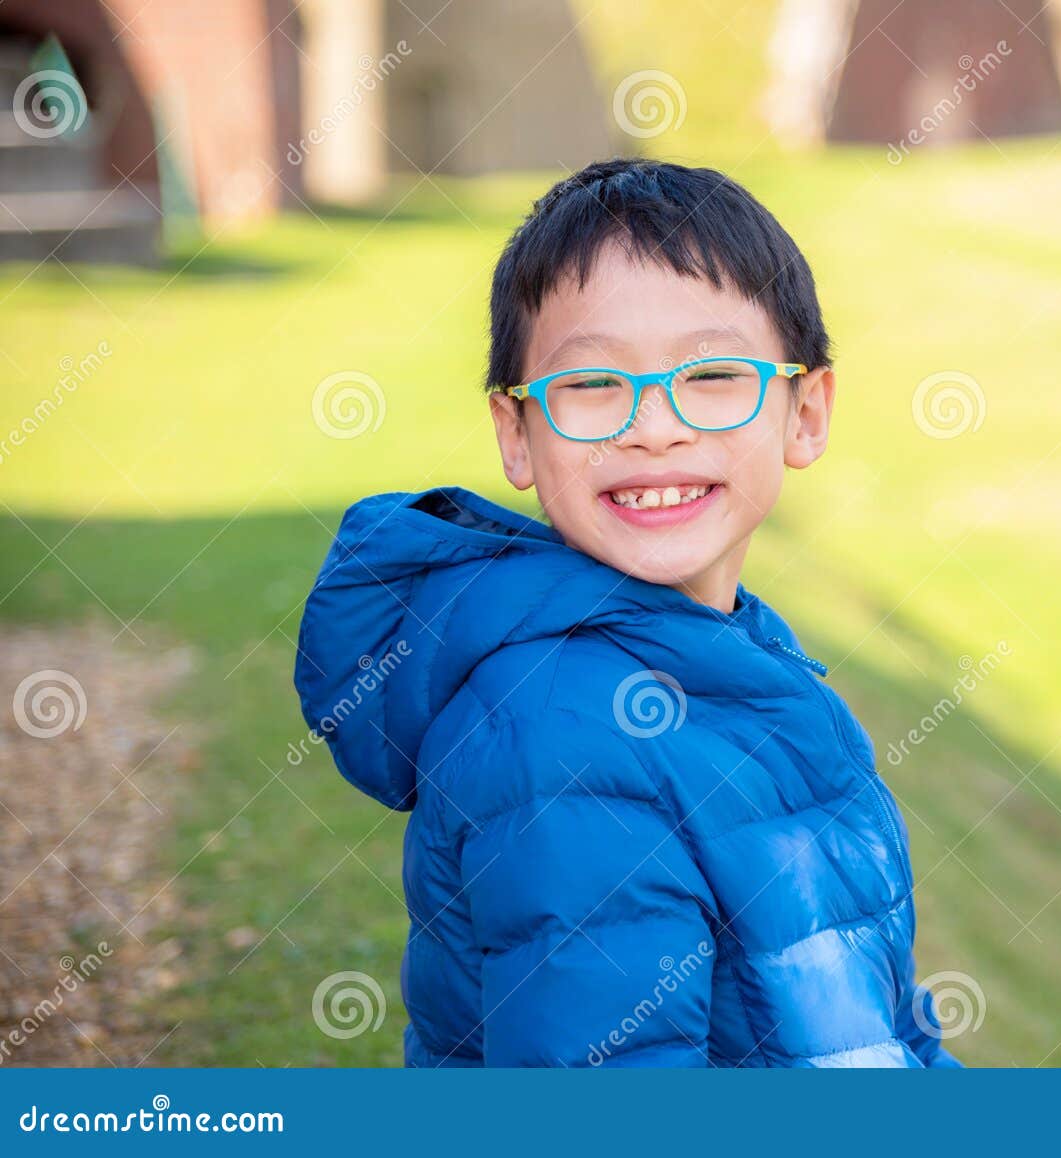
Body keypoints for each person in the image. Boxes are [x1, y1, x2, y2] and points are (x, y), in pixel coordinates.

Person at [295, 158, 960, 1067]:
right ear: (516, 433)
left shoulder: (735, 656)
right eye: (593, 384)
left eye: (713, 373)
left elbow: (872, 1021)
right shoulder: (564, 744)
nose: (653, 426)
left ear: (805, 412)